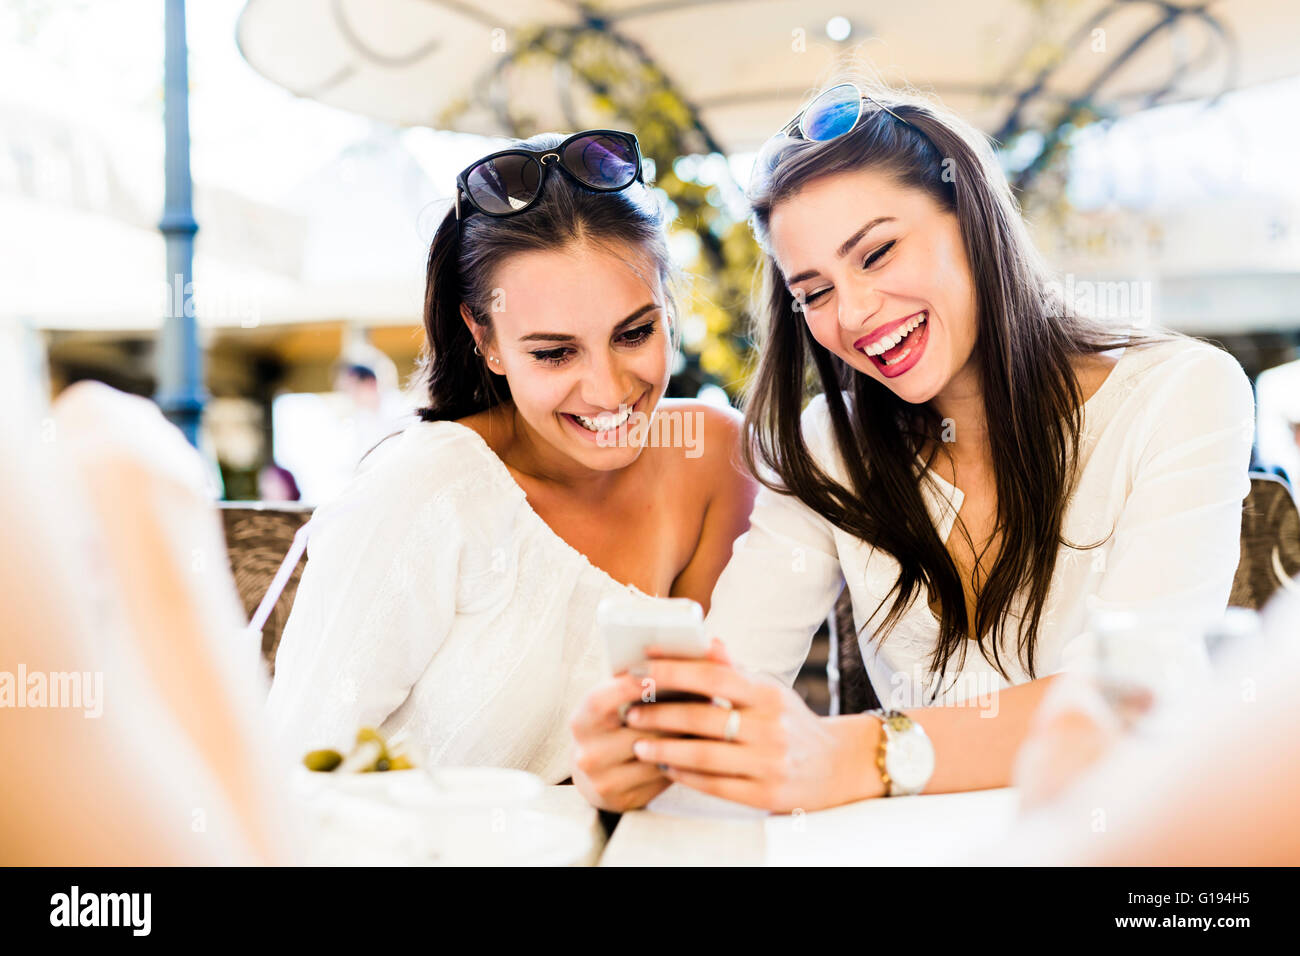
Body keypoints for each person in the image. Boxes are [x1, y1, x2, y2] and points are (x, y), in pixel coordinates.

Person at [574, 76, 1255, 812]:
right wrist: (648, 747)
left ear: (972, 220)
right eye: (815, 292)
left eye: (875, 254)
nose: (856, 313)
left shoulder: (1182, 393)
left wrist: (866, 751)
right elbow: (739, 673)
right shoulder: (828, 447)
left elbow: (1127, 697)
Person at [265, 130, 755, 803]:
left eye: (635, 332)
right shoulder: (427, 491)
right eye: (555, 353)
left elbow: (713, 739)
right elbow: (294, 773)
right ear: (484, 338)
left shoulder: (714, 461)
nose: (609, 392)